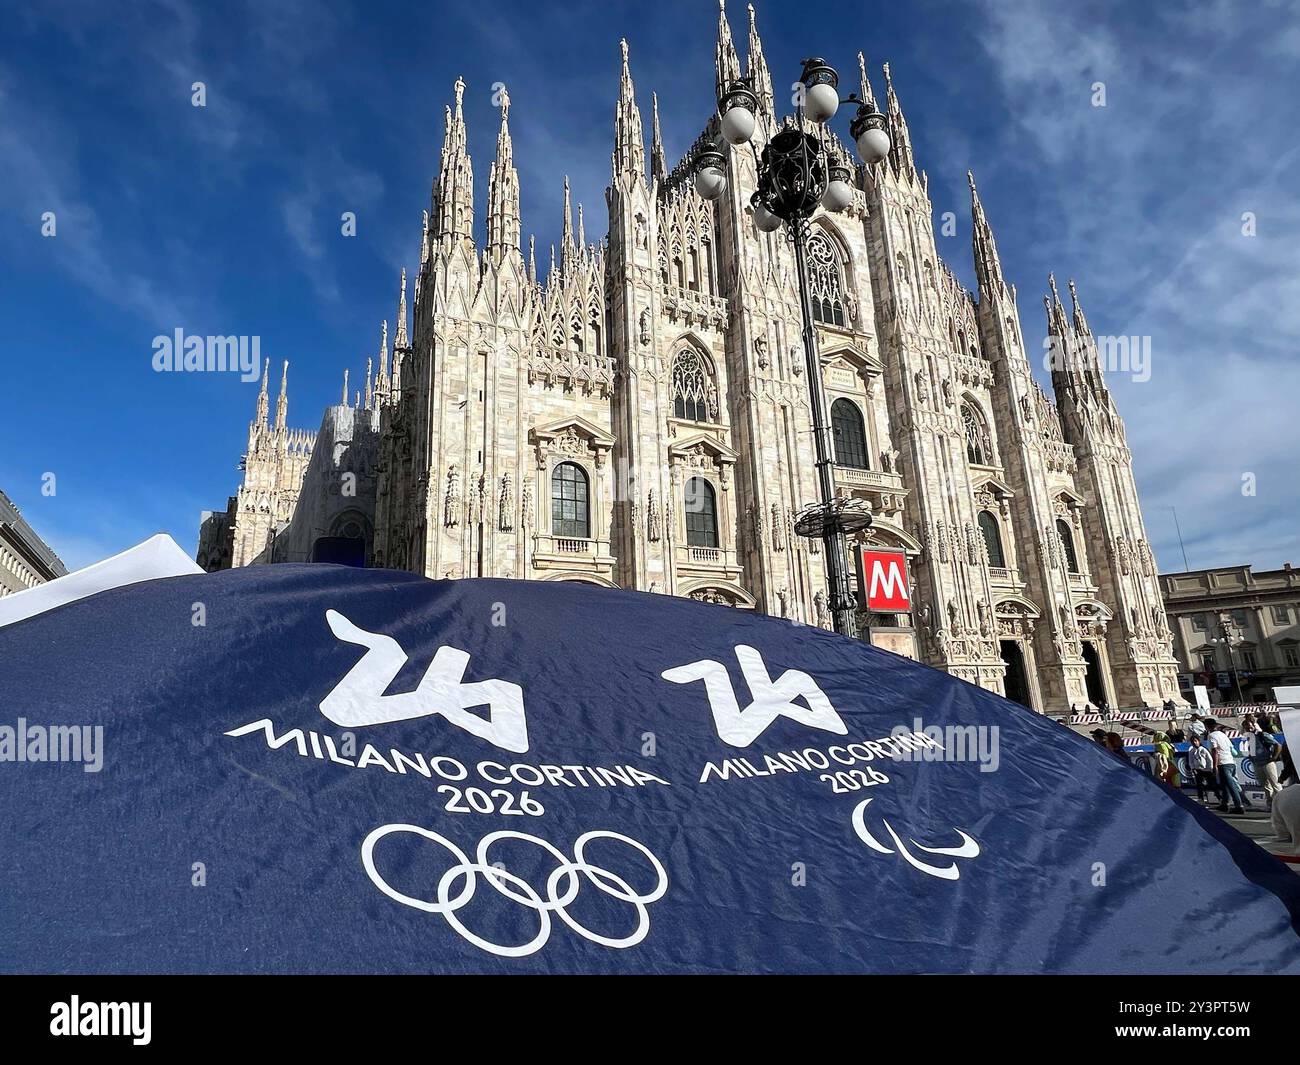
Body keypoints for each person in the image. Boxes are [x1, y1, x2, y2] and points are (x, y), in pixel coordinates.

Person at [1206, 719, 1251, 815]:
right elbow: (1231, 748)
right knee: (1225, 784)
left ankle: (1239, 805)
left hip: (1222, 763)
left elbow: (1215, 750)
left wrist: (1214, 766)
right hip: (1230, 761)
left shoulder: (1211, 736)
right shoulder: (1223, 735)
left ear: (1207, 727)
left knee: (1230, 785)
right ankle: (1224, 803)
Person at [1245, 715, 1283, 807]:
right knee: (1266, 786)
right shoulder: (1249, 738)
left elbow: (1278, 745)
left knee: (1275, 784)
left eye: (1249, 726)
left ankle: (1283, 803)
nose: (1248, 729)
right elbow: (1251, 751)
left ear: (1254, 726)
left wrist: (1273, 758)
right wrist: (1251, 758)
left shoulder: (1262, 735)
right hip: (1257, 764)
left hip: (1267, 762)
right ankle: (1271, 805)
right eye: (1246, 727)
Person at [1186, 734, 1220, 805]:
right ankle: (1201, 798)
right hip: (1198, 770)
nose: (1194, 743)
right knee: (1199, 785)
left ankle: (1219, 798)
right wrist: (1193, 769)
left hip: (1207, 770)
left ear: (1198, 741)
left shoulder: (1204, 750)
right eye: (1192, 741)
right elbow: (1190, 761)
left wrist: (1211, 769)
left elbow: (1209, 760)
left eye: (1195, 741)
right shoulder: (1191, 751)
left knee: (1212, 785)